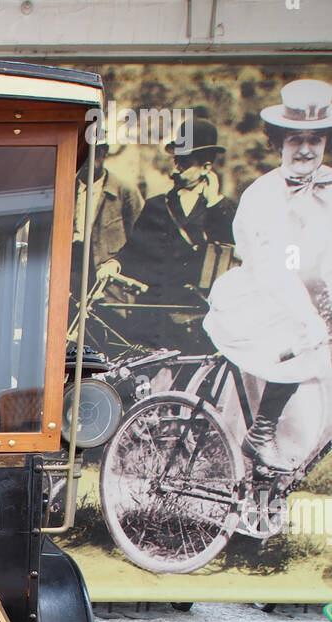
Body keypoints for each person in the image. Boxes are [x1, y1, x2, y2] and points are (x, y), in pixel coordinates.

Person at [203, 80, 332, 475]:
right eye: (295, 140)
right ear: (279, 142)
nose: (306, 150)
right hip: (261, 301)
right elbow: (274, 270)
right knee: (301, 337)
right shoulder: (263, 195)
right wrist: (311, 318)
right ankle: (261, 431)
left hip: (311, 300)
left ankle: (281, 471)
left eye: (315, 140)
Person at [97, 118, 237, 351]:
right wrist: (114, 264)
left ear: (206, 166)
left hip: (197, 320)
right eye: (176, 161)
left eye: (185, 163)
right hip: (154, 318)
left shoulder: (221, 210)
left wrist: (214, 201)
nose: (175, 169)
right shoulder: (157, 206)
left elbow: (231, 247)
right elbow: (134, 252)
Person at [71, 142, 143, 288]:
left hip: (109, 280)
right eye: (81, 153)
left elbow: (139, 243)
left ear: (104, 152)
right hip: (72, 273)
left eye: (93, 152)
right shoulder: (66, 189)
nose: (87, 160)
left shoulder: (125, 191)